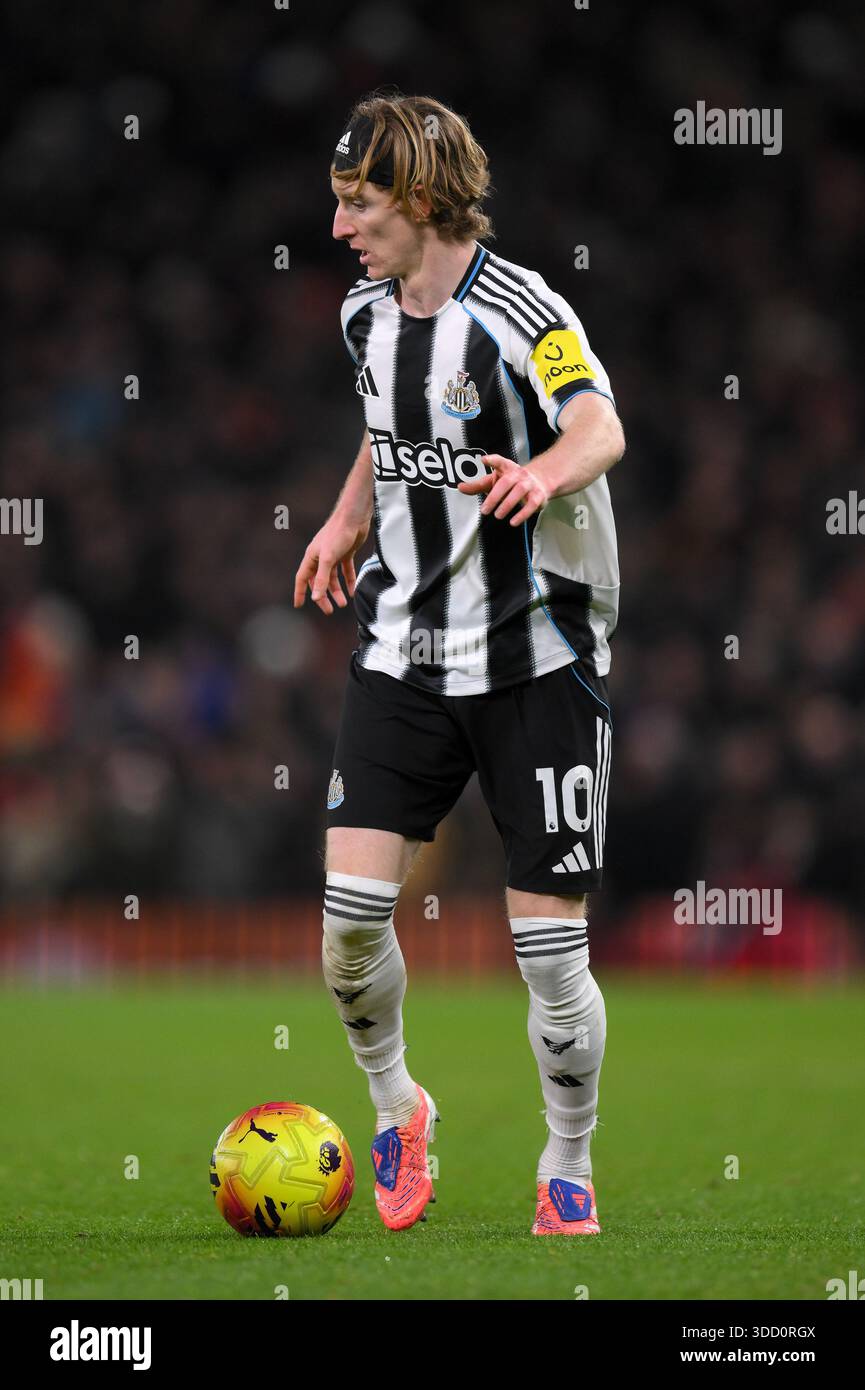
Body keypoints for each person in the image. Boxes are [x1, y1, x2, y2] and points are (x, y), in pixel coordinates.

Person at [294, 92, 625, 1235]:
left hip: (534, 653)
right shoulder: (363, 315)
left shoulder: (522, 305)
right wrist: (347, 517)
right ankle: (397, 1106)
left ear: (421, 199)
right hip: (405, 649)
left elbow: (597, 423)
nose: (339, 228)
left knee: (548, 953)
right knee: (345, 920)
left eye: (358, 204)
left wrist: (548, 474)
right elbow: (390, 437)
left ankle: (566, 1161)